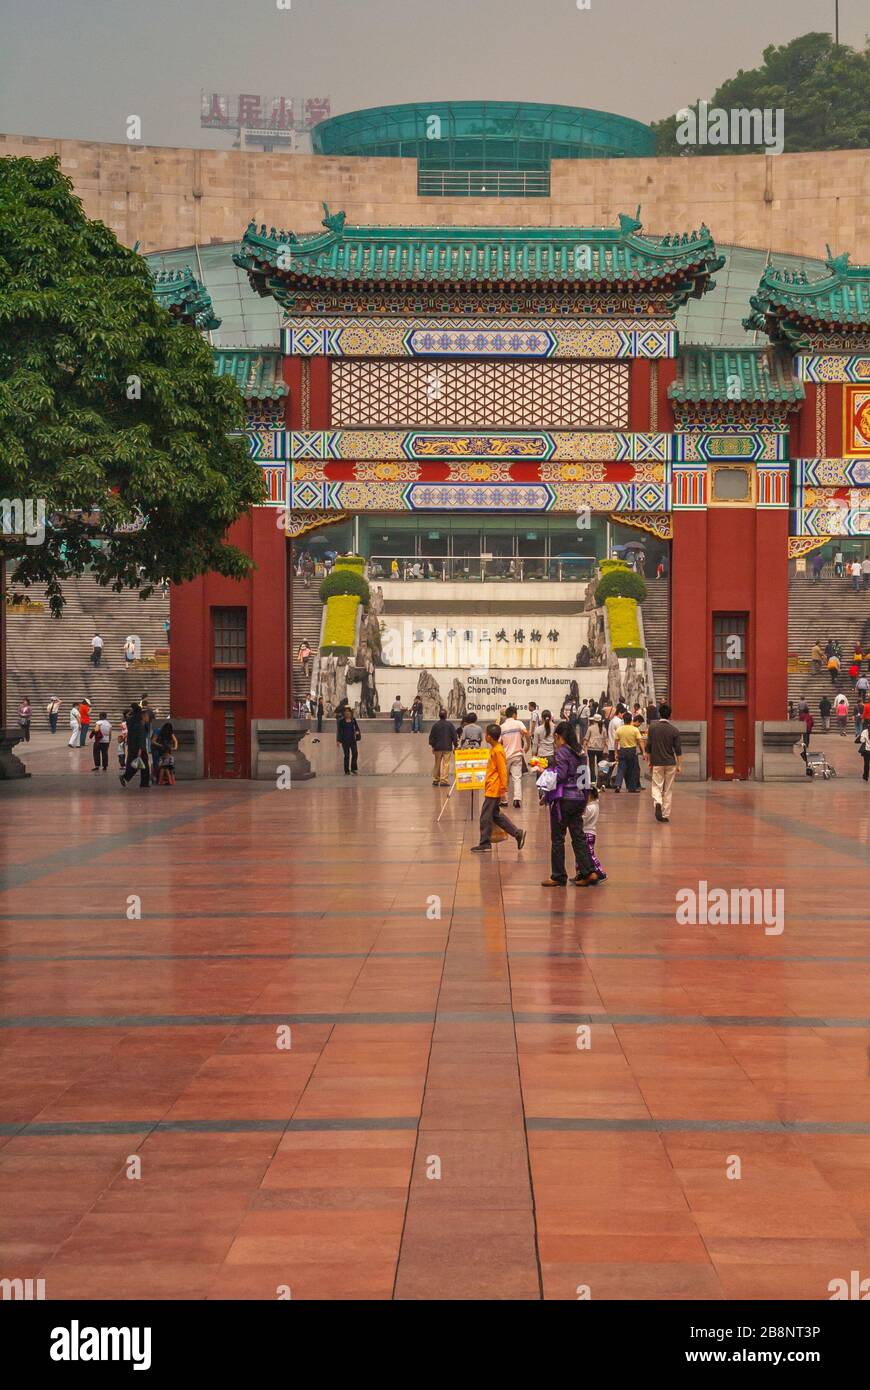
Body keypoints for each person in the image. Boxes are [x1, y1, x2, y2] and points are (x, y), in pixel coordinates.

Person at [540, 721, 597, 887]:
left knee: (558, 837)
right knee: (578, 836)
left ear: (558, 736)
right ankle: (588, 871)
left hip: (563, 799)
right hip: (579, 797)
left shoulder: (562, 752)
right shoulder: (581, 752)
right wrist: (585, 797)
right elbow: (585, 777)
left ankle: (558, 875)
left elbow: (561, 775)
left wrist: (545, 773)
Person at [471, 725, 526, 855]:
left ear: (489, 737)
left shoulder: (498, 751)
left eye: (486, 734)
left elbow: (502, 771)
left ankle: (485, 843)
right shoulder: (495, 749)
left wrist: (503, 789)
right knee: (495, 815)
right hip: (492, 787)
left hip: (494, 789)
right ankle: (517, 833)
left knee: (485, 816)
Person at [646, 702, 682, 823]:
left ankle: (658, 802)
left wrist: (650, 761)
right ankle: (665, 814)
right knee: (668, 788)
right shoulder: (674, 730)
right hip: (670, 762)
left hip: (657, 761)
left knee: (657, 785)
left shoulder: (652, 728)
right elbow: (678, 750)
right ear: (670, 715)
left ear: (659, 713)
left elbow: (648, 746)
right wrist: (679, 765)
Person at [500, 704, 530, 808]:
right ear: (514, 714)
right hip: (517, 754)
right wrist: (527, 746)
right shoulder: (519, 723)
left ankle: (504, 800)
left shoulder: (502, 727)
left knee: (505, 779)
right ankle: (517, 799)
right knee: (517, 778)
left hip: (506, 756)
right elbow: (526, 733)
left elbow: (499, 742)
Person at [119, 703, 150, 788]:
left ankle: (143, 782)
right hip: (139, 748)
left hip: (132, 746)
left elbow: (128, 717)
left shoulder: (131, 721)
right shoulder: (140, 726)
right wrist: (140, 750)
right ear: (142, 716)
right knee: (141, 766)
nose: (148, 717)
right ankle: (127, 777)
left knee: (139, 765)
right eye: (146, 716)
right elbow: (141, 738)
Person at [612, 714, 645, 792]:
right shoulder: (635, 729)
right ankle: (632, 788)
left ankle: (617, 785)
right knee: (632, 770)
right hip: (632, 751)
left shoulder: (619, 729)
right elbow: (640, 741)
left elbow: (616, 742)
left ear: (624, 720)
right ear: (631, 720)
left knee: (621, 769)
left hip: (622, 750)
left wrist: (616, 753)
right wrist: (643, 752)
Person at [582, 787, 607, 881]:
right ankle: (582, 873)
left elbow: (583, 819)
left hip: (587, 832)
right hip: (591, 832)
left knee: (589, 854)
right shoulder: (595, 805)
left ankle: (600, 872)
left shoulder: (589, 808)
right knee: (585, 853)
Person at [429, 708, 457, 786]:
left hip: (437, 747)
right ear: (446, 715)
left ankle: (436, 779)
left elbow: (431, 737)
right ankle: (444, 780)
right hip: (447, 747)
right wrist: (455, 745)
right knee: (446, 763)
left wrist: (433, 746)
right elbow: (454, 736)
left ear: (439, 715)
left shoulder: (435, 725)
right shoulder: (450, 725)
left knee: (437, 763)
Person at [583, 713, 607, 786]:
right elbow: (606, 740)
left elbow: (586, 739)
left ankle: (593, 781)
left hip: (591, 748)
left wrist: (584, 748)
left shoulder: (590, 728)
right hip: (600, 749)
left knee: (592, 765)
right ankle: (601, 782)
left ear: (594, 720)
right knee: (600, 765)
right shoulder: (603, 729)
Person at [799, 708, 814, 775]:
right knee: (808, 736)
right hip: (809, 728)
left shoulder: (802, 715)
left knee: (805, 736)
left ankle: (805, 744)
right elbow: (812, 722)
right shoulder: (810, 716)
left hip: (804, 727)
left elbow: (800, 721)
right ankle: (807, 744)